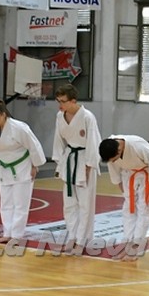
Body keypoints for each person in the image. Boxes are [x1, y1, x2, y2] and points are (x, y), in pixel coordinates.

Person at [51, 83, 102, 256]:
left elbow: (94, 142)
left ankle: (82, 241)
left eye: (63, 101)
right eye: (58, 101)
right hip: (69, 160)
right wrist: (59, 163)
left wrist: (89, 165)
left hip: (84, 160)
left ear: (73, 101)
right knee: (69, 204)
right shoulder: (60, 116)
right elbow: (58, 141)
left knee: (85, 204)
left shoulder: (87, 117)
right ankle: (71, 237)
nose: (60, 105)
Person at [0, 100, 46, 245]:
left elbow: (33, 146)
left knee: (20, 204)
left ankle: (17, 235)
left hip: (22, 167)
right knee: (5, 203)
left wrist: (35, 165)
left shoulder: (19, 127)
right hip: (5, 169)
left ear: (3, 114)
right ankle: (7, 233)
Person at [99, 135, 149, 261]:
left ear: (119, 151)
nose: (113, 162)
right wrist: (123, 190)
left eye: (114, 159)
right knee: (128, 210)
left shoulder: (138, 147)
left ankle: (135, 248)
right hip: (128, 174)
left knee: (144, 209)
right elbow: (114, 171)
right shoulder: (110, 147)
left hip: (146, 174)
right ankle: (127, 245)